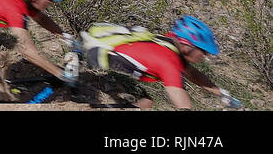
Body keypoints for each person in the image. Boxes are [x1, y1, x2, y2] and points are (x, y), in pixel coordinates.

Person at [81, 16, 240, 110]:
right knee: (145, 102)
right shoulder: (168, 61)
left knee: (145, 101)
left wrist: (222, 94)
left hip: (105, 61)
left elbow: (192, 74)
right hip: (98, 66)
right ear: (187, 46)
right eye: (203, 51)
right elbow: (181, 103)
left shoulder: (169, 44)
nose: (204, 56)